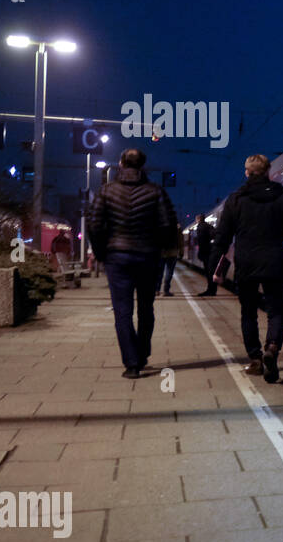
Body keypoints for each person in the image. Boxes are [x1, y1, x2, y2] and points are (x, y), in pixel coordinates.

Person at [207, 154, 283, 383]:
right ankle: (272, 348)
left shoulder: (236, 199)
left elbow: (222, 236)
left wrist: (214, 265)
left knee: (248, 312)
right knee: (276, 310)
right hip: (275, 261)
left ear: (247, 173)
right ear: (268, 172)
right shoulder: (282, 196)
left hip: (247, 262)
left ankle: (256, 359)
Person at [89, 148, 178, 378]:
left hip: (117, 258)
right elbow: (169, 225)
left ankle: (132, 363)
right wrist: (158, 247)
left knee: (122, 311)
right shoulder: (155, 191)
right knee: (146, 308)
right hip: (147, 257)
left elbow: (95, 225)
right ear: (143, 166)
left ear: (121, 164)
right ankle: (143, 352)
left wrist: (102, 253)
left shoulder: (106, 191)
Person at [195, 214, 218, 296]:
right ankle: (213, 289)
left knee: (208, 272)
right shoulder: (209, 226)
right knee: (211, 271)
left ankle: (210, 290)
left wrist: (200, 252)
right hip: (211, 251)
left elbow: (201, 242)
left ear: (198, 219)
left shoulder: (200, 227)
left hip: (205, 252)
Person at [157, 220, 182, 296]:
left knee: (159, 272)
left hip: (160, 252)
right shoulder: (177, 226)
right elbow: (180, 240)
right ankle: (166, 290)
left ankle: (156, 290)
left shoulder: (159, 224)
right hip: (172, 252)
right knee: (169, 272)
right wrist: (181, 251)